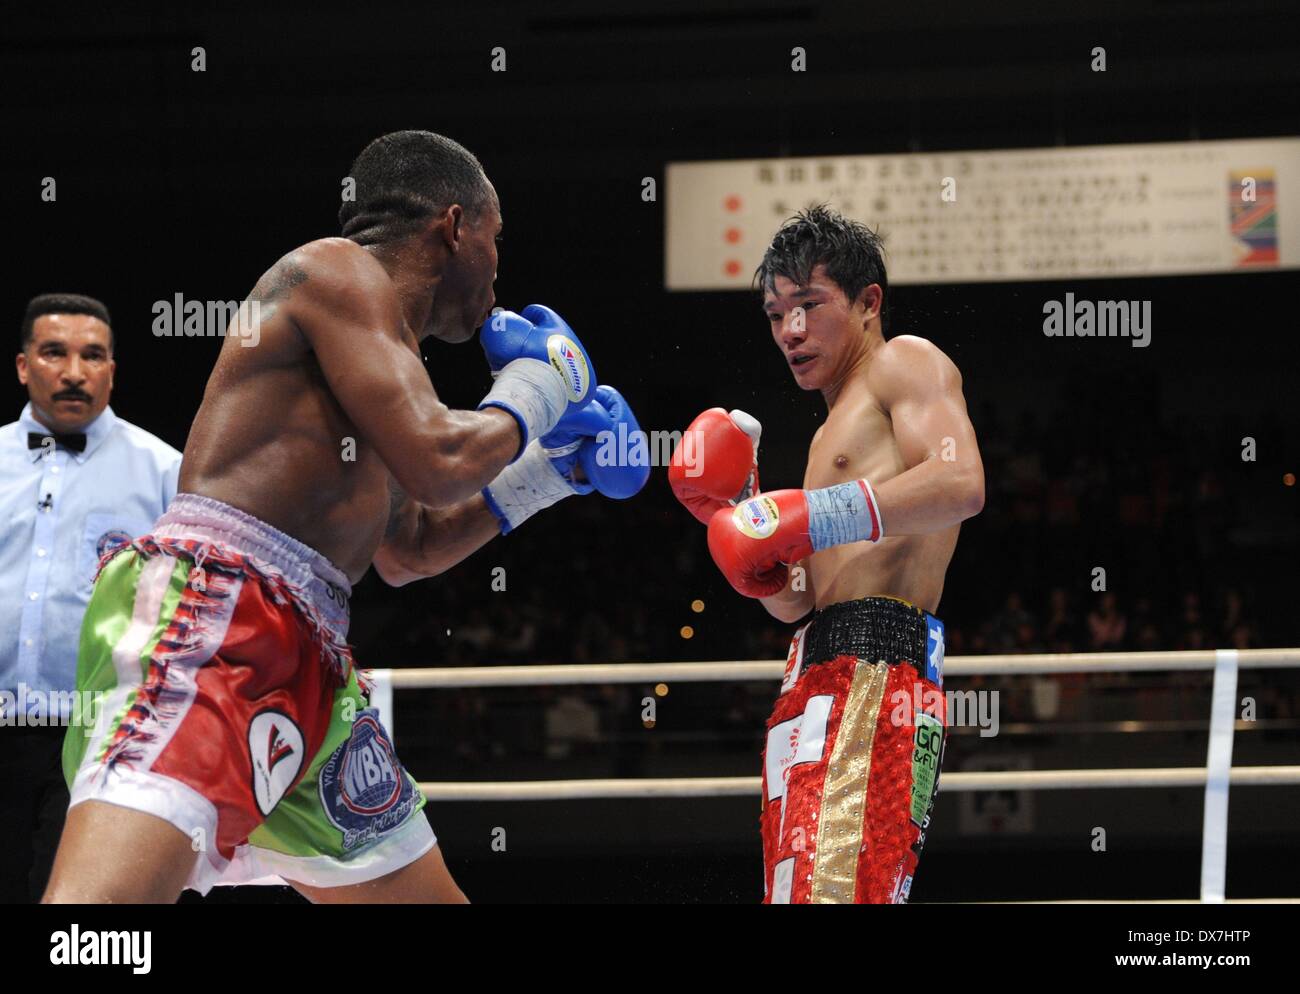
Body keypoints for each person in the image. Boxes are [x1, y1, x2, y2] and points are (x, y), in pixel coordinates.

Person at [43, 130, 646, 904]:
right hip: (214, 617)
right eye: (497, 240)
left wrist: (556, 473)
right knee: (93, 928)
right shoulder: (334, 271)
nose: (499, 268)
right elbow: (442, 458)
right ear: (455, 227)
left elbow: (409, 548)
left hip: (309, 660)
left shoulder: (387, 372)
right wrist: (542, 384)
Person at [670, 206, 984, 903]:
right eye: (777, 313)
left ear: (868, 302)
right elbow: (798, 600)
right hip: (816, 674)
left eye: (809, 305)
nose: (791, 330)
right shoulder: (823, 438)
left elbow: (960, 482)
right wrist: (741, 536)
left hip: (874, 670)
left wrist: (810, 513)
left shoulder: (906, 362)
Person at [0, 294, 181, 902]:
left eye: (92, 356)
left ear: (112, 371)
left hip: (104, 742)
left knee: (78, 916)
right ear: (24, 365)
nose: (73, 372)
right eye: (54, 352)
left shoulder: (166, 472)